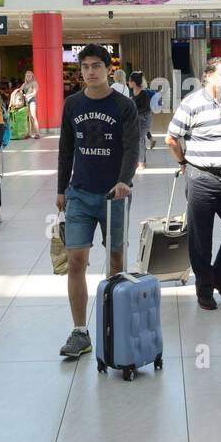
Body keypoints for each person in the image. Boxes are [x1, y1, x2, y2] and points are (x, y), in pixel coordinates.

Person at [55, 44, 140, 358]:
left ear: (108, 68)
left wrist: (124, 181)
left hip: (114, 197)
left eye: (96, 66)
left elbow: (132, 147)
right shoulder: (72, 104)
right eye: (86, 66)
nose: (90, 71)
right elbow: (65, 149)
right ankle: (80, 332)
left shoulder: (123, 105)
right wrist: (61, 189)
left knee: (116, 262)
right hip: (79, 194)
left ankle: (114, 322)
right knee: (76, 262)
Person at [166, 56, 221, 311]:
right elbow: (171, 138)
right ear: (208, 76)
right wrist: (183, 163)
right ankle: (204, 289)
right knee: (201, 239)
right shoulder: (191, 103)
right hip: (201, 179)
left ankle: (220, 278)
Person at [129, 71, 154, 170]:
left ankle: (142, 162)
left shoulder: (144, 93)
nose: (128, 82)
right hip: (136, 118)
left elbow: (146, 108)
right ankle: (138, 161)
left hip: (144, 119)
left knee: (140, 139)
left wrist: (133, 110)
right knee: (136, 140)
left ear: (134, 82)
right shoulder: (133, 92)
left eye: (130, 80)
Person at [20, 70, 41, 139]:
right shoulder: (24, 84)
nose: (28, 77)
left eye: (29, 76)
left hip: (32, 100)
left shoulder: (34, 83)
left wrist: (26, 95)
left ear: (32, 76)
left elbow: (34, 93)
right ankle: (28, 133)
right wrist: (21, 93)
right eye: (27, 76)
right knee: (27, 118)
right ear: (25, 77)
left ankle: (37, 133)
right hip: (25, 102)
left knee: (33, 116)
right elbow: (20, 90)